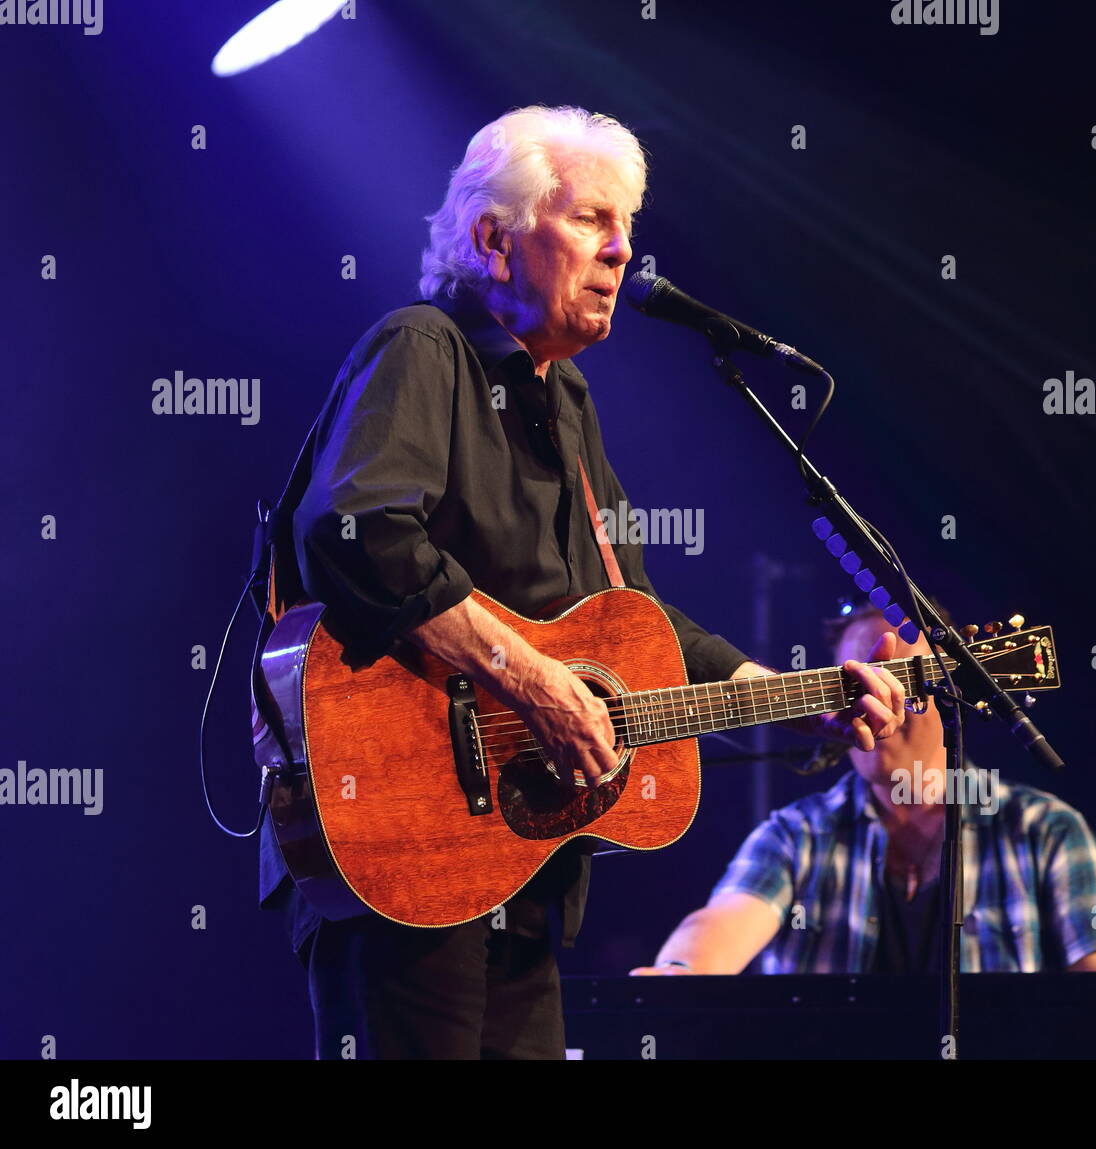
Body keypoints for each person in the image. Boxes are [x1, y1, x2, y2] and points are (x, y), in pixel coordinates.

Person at [256, 105, 910, 1059]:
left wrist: (783, 697)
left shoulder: (566, 400)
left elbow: (631, 623)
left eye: (628, 230)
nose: (621, 252)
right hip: (399, 832)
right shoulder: (422, 347)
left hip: (521, 864)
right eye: (592, 221)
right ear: (494, 237)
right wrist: (530, 680)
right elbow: (355, 532)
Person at [631, 595, 1096, 976]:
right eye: (852, 685)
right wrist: (678, 975)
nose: (873, 704)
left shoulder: (1042, 828)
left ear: (950, 695)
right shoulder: (797, 834)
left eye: (896, 680)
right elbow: (721, 926)